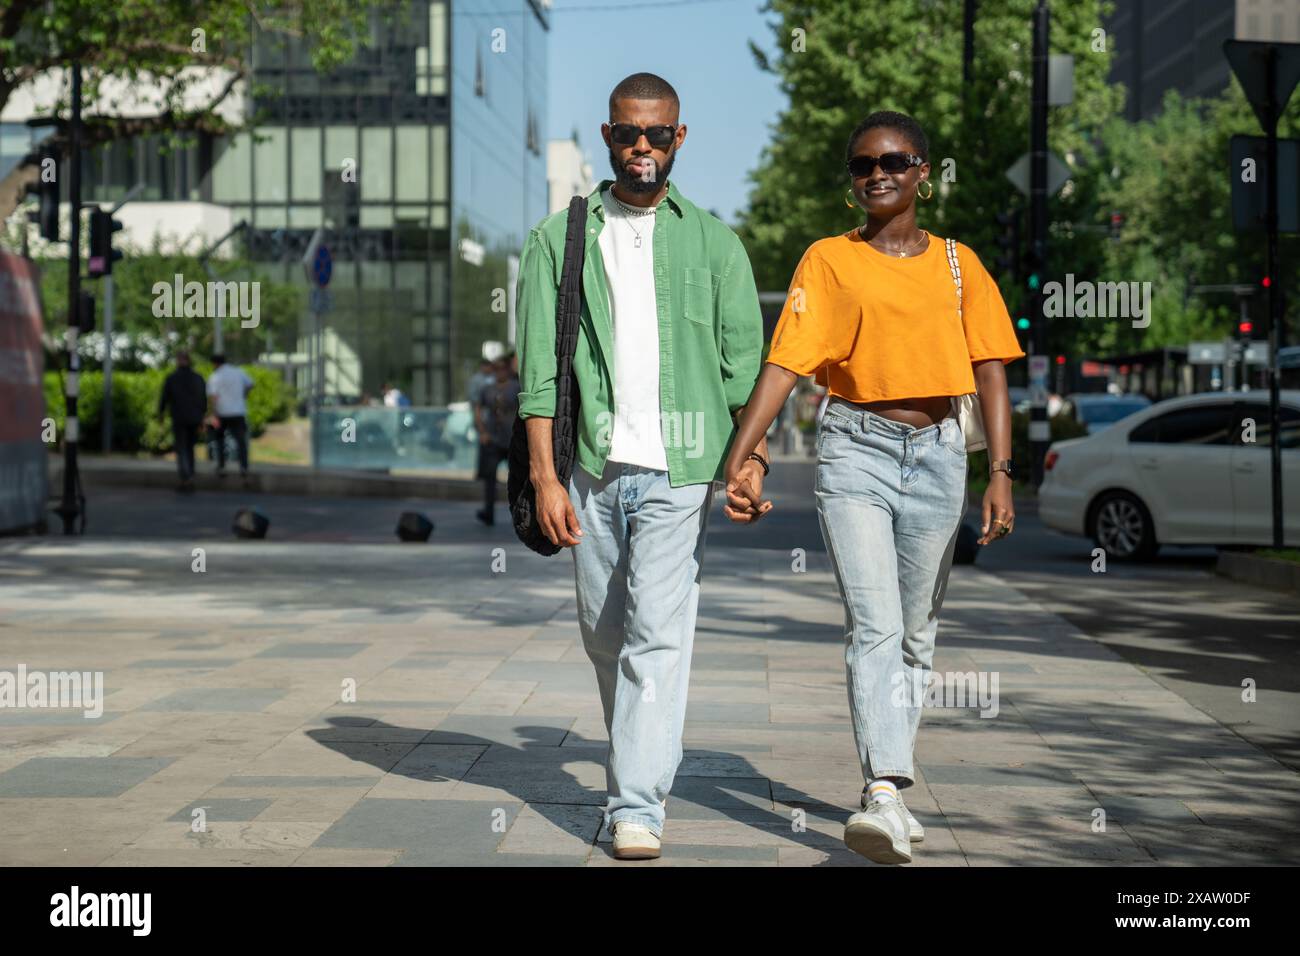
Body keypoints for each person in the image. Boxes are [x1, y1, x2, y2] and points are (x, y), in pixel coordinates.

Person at [723, 111, 1024, 865]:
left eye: (894, 160)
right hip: (855, 448)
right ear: (852, 179)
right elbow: (785, 363)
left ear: (924, 169)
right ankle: (884, 788)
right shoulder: (828, 260)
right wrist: (743, 451)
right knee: (876, 624)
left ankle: (892, 783)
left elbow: (991, 368)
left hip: (942, 454)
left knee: (918, 632)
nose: (877, 174)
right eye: (862, 165)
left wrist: (1002, 475)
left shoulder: (960, 263)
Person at [516, 72, 766, 861]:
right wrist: (544, 478)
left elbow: (743, 371)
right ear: (607, 135)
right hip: (589, 469)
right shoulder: (558, 238)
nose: (643, 148)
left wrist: (746, 461)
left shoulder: (717, 244)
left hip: (680, 472)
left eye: (658, 134)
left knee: (656, 636)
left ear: (680, 137)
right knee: (605, 634)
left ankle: (636, 804)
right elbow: (540, 376)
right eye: (629, 134)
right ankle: (643, 752)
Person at [474, 358, 519, 526]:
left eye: (503, 369)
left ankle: (520, 513)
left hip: (511, 439)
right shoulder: (487, 389)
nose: (500, 372)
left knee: (517, 478)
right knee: (489, 478)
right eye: (497, 369)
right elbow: (478, 410)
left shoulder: (515, 387)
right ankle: (488, 511)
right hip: (492, 438)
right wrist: (482, 431)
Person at [157, 350, 206, 492]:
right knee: (190, 448)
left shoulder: (172, 378)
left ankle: (185, 477)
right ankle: (190, 475)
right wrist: (202, 417)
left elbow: (164, 398)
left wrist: (160, 414)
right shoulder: (198, 378)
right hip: (194, 418)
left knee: (181, 448)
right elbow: (203, 399)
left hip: (179, 417)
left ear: (179, 361)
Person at [206, 354, 254, 482]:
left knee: (220, 440)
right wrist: (243, 395)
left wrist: (212, 414)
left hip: (222, 413)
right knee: (241, 441)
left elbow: (213, 397)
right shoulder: (238, 372)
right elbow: (250, 384)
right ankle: (244, 467)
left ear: (215, 364)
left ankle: (221, 466)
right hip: (238, 412)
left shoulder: (215, 376)